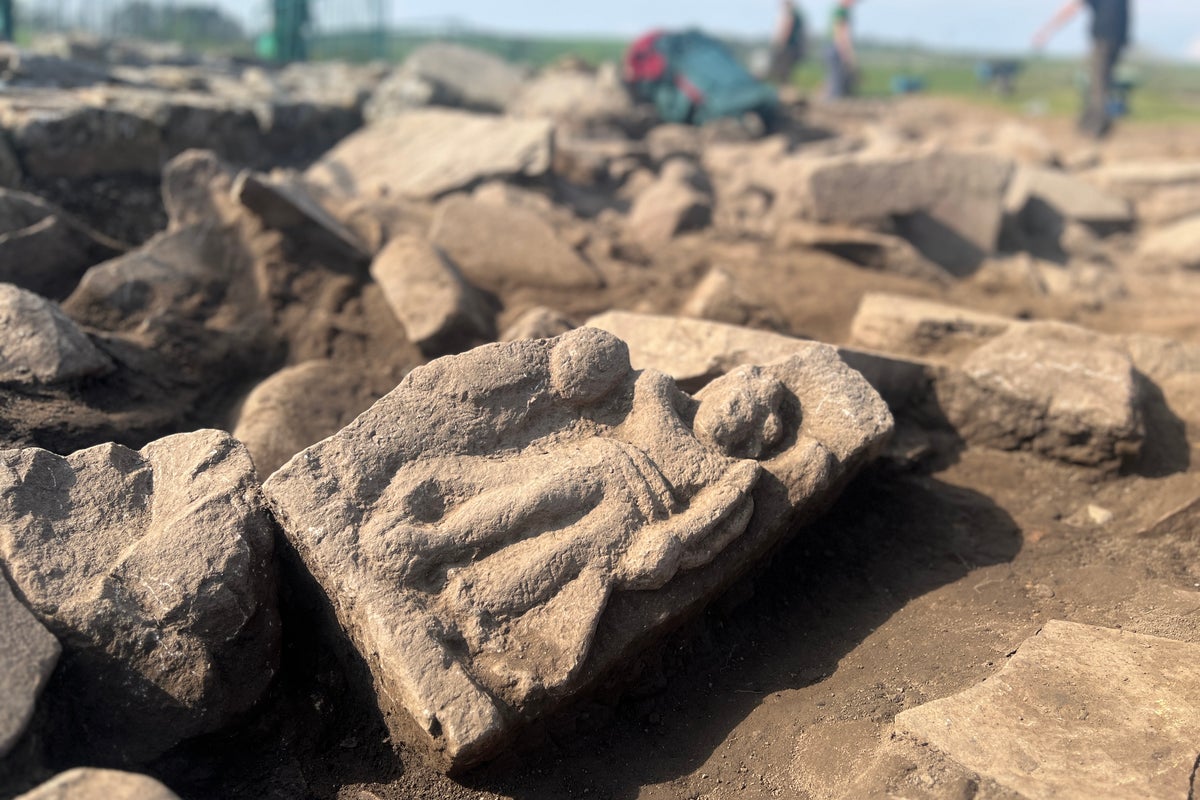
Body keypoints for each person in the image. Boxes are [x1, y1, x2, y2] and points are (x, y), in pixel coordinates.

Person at [1033, 0, 1131, 138]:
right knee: (1103, 83)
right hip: (1118, 40)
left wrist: (1046, 30)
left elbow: (1071, 8)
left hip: (1103, 38)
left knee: (1098, 84)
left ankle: (1095, 126)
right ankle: (1094, 123)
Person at [824, 0, 860, 99]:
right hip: (837, 48)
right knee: (837, 81)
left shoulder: (839, 11)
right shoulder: (841, 12)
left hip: (832, 47)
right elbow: (841, 33)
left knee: (834, 78)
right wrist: (845, 53)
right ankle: (833, 103)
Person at [767, 0, 807, 85]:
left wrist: (780, 44)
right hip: (794, 47)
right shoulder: (796, 13)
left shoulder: (790, 13)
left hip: (788, 48)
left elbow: (786, 29)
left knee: (783, 73)